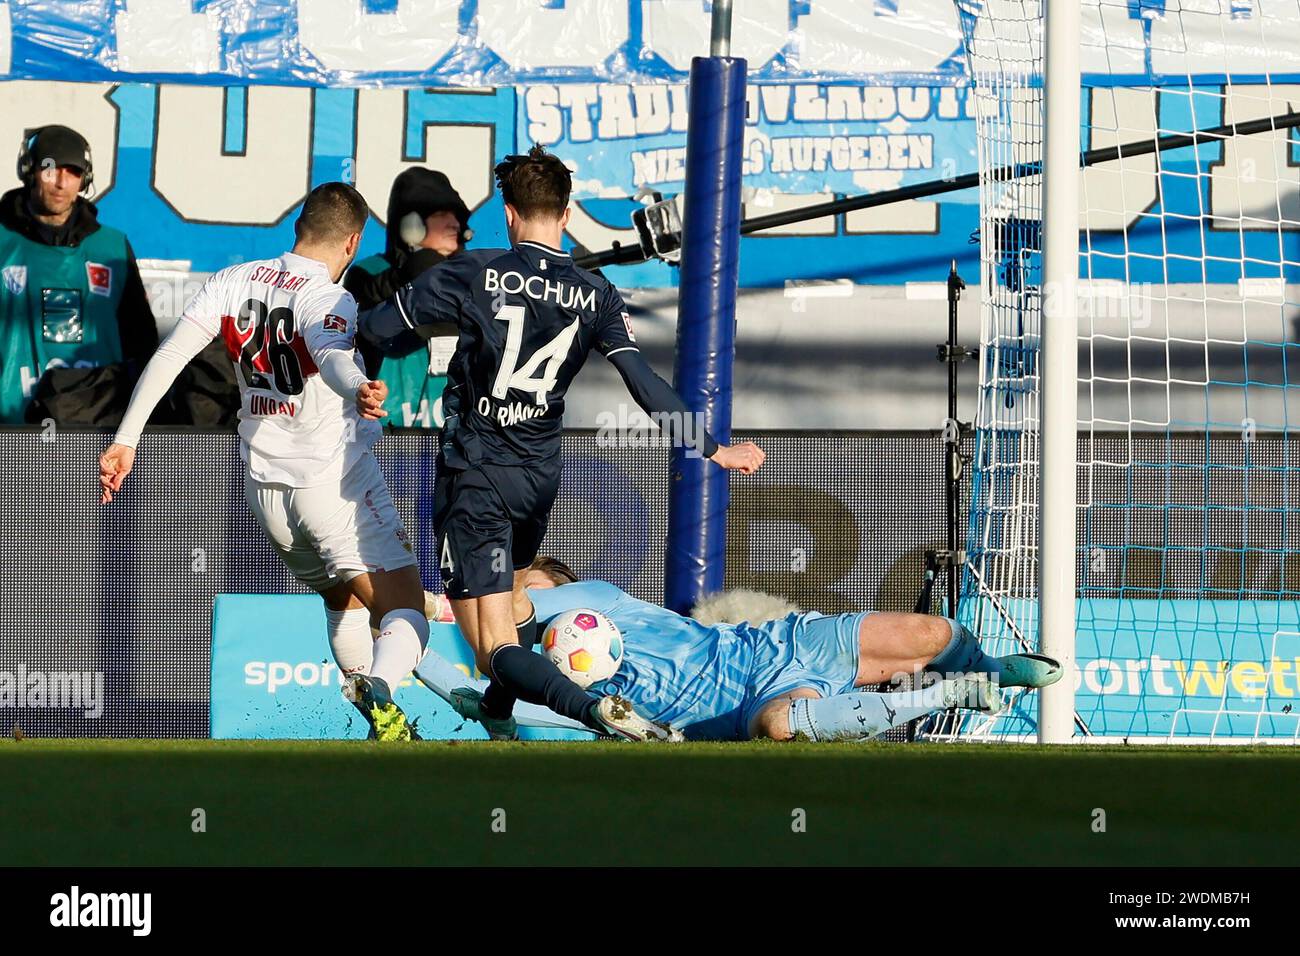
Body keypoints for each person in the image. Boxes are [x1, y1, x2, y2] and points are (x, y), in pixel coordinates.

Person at [359, 145, 766, 742]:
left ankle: (593, 711)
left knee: (488, 642)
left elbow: (380, 330)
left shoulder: (474, 272)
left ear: (509, 210)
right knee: (516, 603)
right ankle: (499, 712)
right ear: (568, 212)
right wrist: (711, 448)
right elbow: (644, 384)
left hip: (477, 473)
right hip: (537, 480)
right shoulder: (596, 292)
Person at [97, 182, 428, 741]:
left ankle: (383, 726)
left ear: (299, 226)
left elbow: (171, 354)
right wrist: (358, 390)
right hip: (331, 482)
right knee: (406, 616)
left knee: (341, 598)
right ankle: (383, 687)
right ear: (353, 242)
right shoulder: (328, 296)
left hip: (264, 491)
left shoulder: (232, 280)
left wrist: (127, 438)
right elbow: (331, 352)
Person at [419, 558, 1062, 742]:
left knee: (932, 636)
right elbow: (511, 701)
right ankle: (951, 695)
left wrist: (438, 599)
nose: (519, 590)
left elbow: (505, 617)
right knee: (780, 727)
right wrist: (413, 654)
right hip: (748, 706)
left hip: (777, 643)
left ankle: (989, 669)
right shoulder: (551, 676)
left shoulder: (591, 599)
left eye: (530, 579)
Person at [0, 125, 157, 424]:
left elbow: (141, 342)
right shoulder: (3, 242)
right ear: (29, 170)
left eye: (72, 172)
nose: (61, 183)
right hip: (9, 422)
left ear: (85, 179)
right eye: (50, 170)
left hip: (93, 424)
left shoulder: (111, 248)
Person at [344, 168, 470, 427]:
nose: (454, 223)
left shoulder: (474, 277)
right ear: (410, 224)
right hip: (388, 430)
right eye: (442, 214)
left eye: (457, 216)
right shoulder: (368, 273)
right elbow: (364, 314)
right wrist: (417, 269)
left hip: (456, 429)